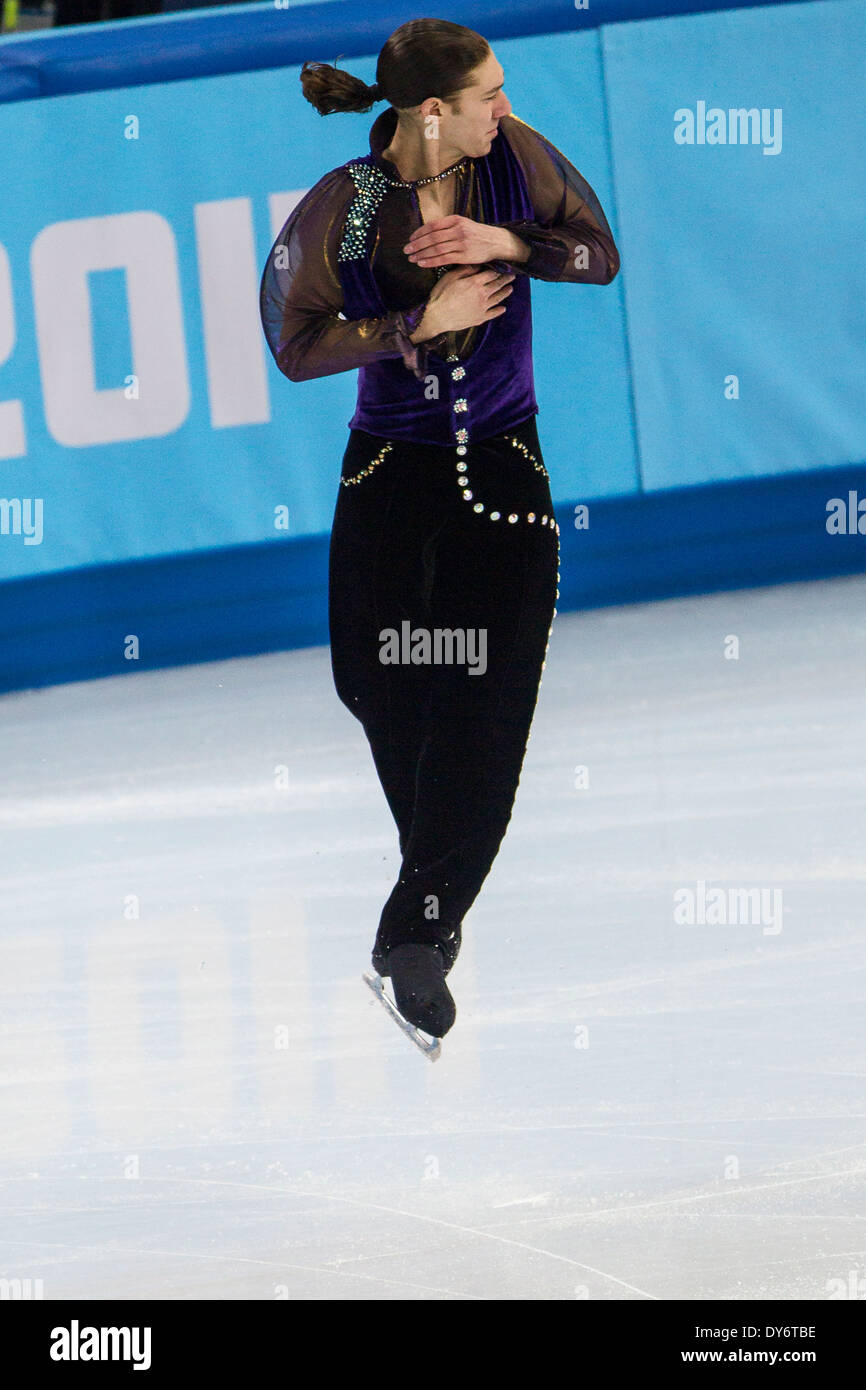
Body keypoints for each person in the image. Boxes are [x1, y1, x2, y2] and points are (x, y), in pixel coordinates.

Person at [259, 18, 619, 1041]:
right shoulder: (348, 204)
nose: (502, 106)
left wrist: (507, 244)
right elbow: (293, 341)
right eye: (486, 94)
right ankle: (430, 888)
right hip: (387, 480)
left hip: (503, 480)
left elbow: (596, 254)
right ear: (432, 110)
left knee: (484, 712)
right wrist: (418, 318)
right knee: (374, 684)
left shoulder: (517, 161)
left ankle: (416, 933)